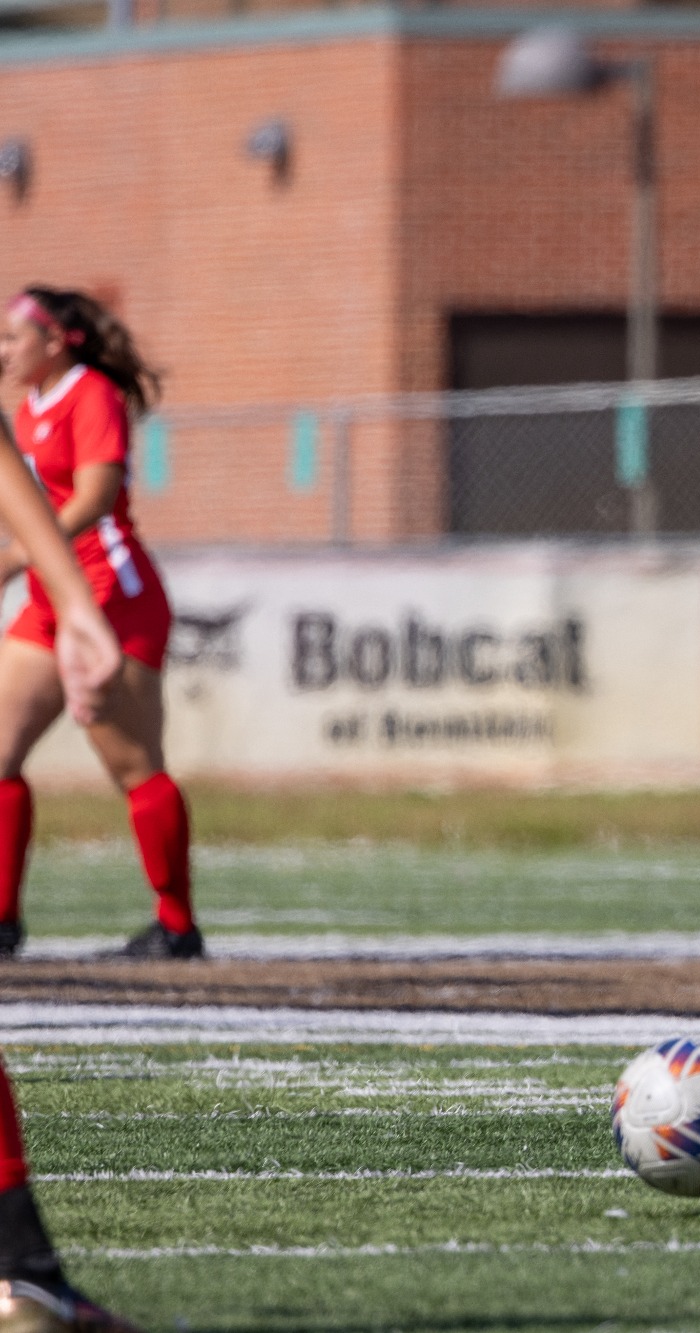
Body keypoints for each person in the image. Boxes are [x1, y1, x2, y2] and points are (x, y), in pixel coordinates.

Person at [0, 288, 200, 961]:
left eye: (14, 337)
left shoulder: (90, 394)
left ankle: (177, 925)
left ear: (57, 342)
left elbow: (95, 497)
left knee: (133, 765)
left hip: (111, 594)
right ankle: (2, 920)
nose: (3, 350)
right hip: (48, 602)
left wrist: (16, 556)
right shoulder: (26, 408)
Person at [0, 414, 138, 1328]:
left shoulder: (88, 393)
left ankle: (25, 1273)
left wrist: (77, 603)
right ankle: (24, 1276)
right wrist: (73, 599)